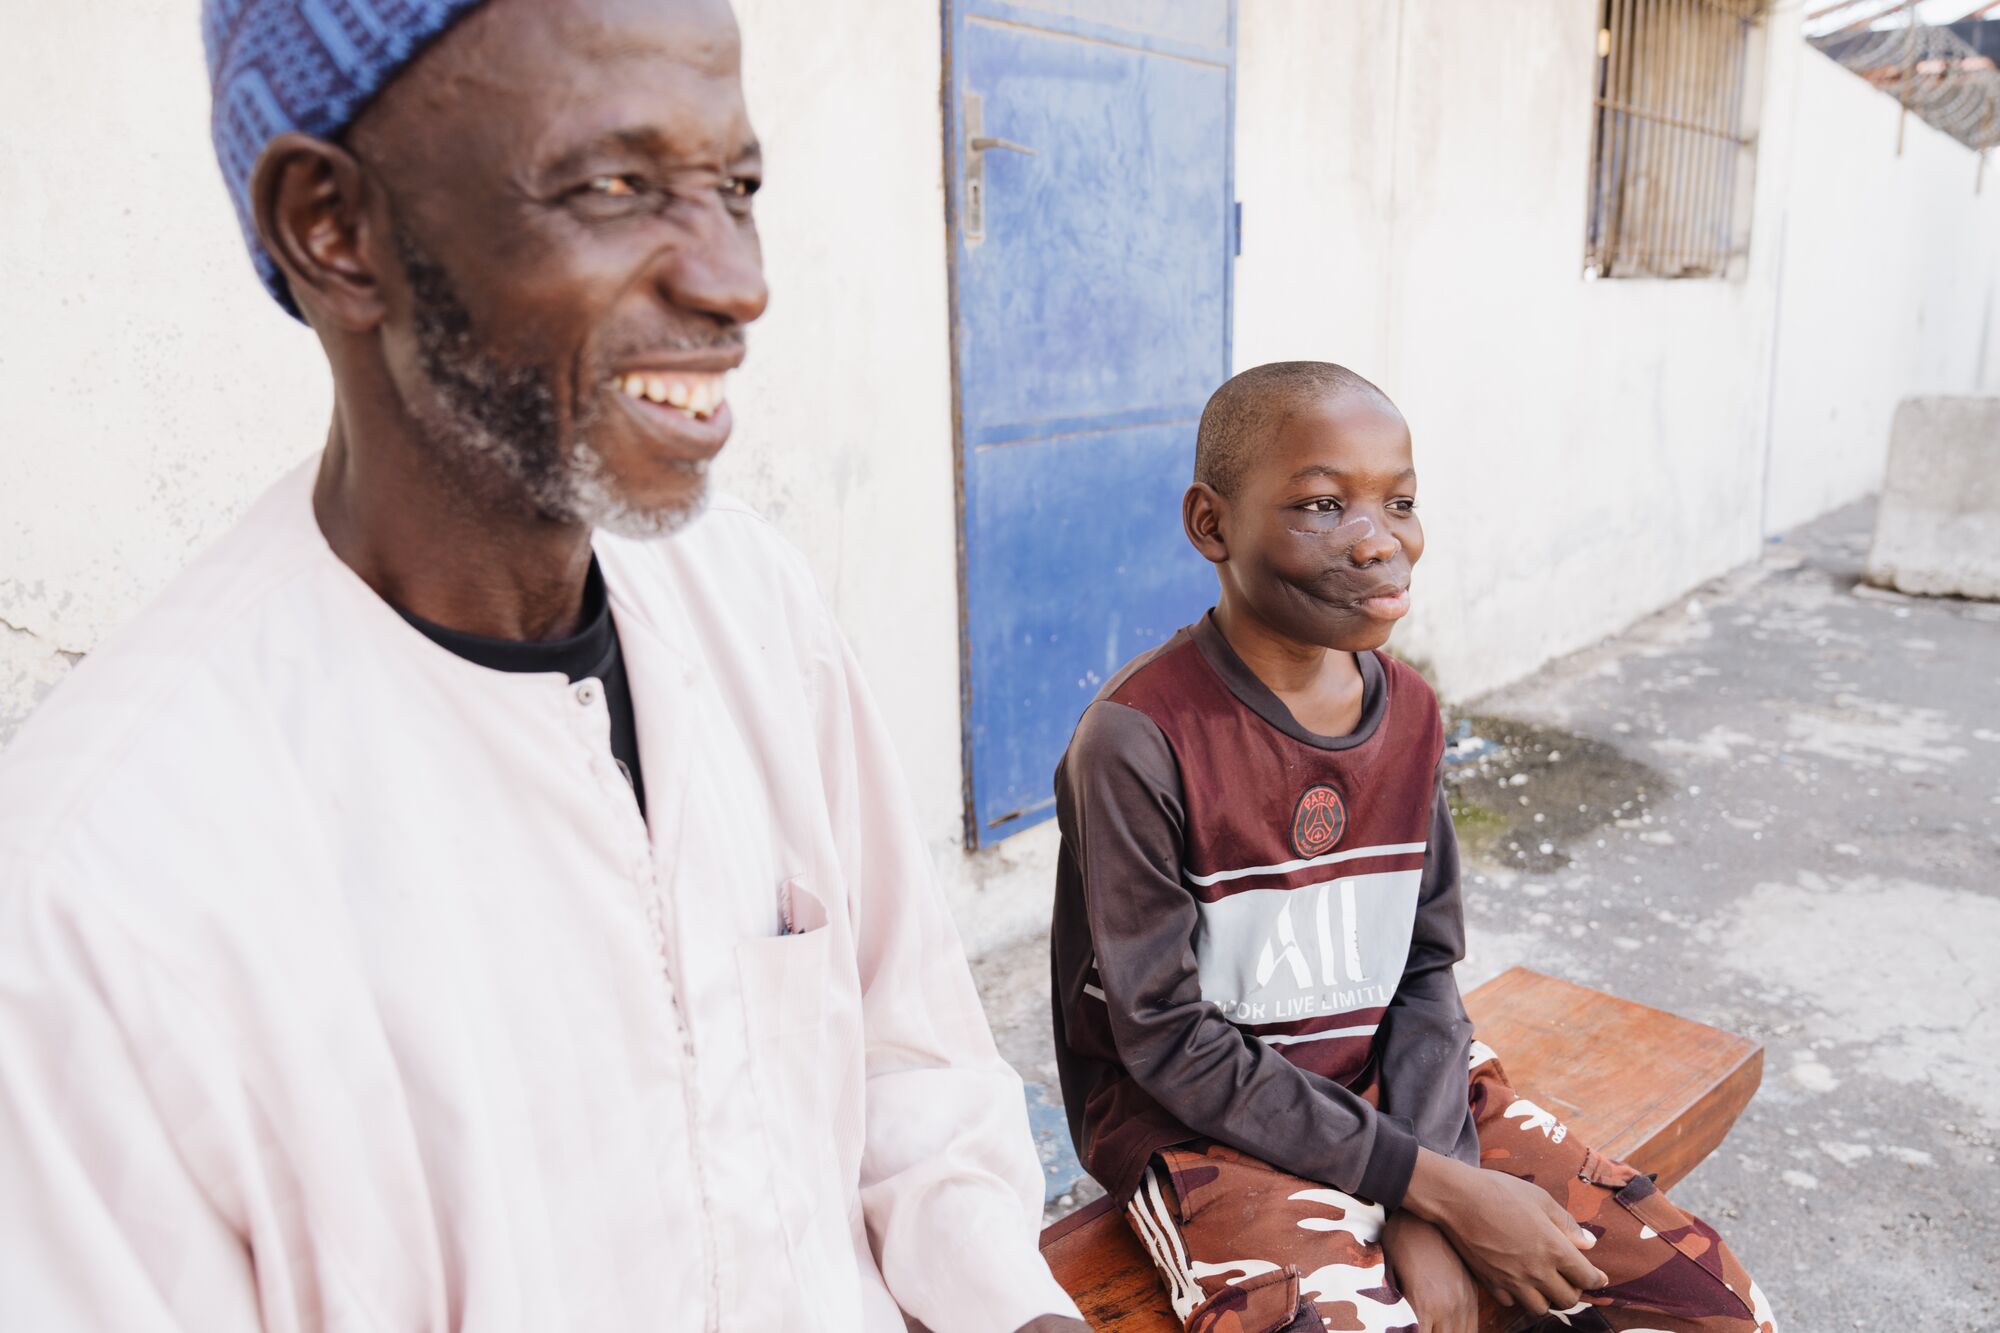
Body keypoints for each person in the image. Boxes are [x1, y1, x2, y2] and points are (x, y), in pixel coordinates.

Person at [0, 2, 1085, 1329]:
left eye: (735, 186)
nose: (738, 280)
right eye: (616, 185)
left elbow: (914, 1080)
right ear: (332, 229)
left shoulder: (751, 605)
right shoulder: (93, 901)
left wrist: (1014, 1308)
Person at [1048, 362, 1775, 1333]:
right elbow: (1169, 1040)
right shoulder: (1139, 738)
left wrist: (1430, 1195)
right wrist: (1429, 1187)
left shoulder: (1413, 714)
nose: (1376, 538)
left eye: (1398, 501)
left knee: (1710, 1307)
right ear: (1210, 524)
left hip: (1406, 1091)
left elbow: (1425, 969)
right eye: (1318, 503)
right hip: (1201, 1129)